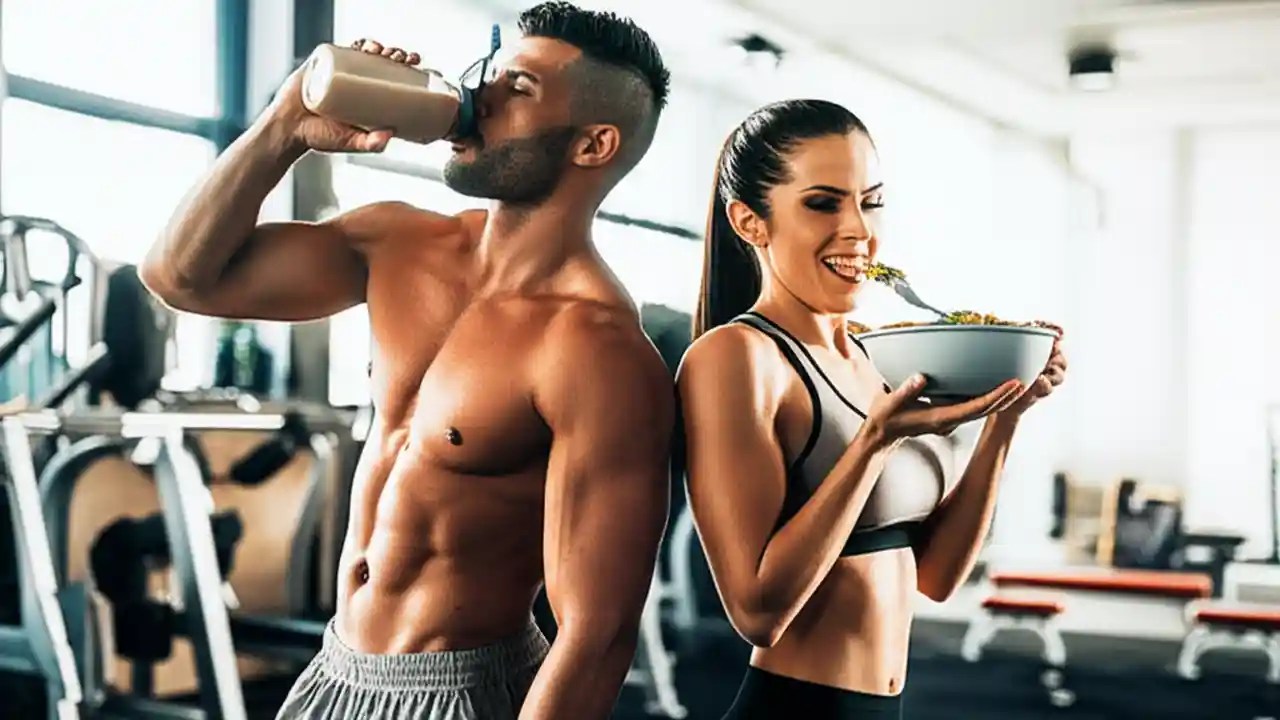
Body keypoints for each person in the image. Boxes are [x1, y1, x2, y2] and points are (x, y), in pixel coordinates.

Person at [139, 3, 674, 718]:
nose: (477, 97)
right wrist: (285, 124)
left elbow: (596, 636)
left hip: (462, 691)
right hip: (335, 669)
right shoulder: (397, 245)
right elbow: (181, 277)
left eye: (517, 89)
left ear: (593, 144)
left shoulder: (598, 349)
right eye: (488, 74)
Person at [676, 99, 1068, 719]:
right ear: (750, 222)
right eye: (823, 202)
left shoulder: (873, 356)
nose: (859, 229)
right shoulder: (735, 358)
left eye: (870, 200)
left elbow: (935, 577)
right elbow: (757, 614)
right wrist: (873, 443)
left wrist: (1005, 417)